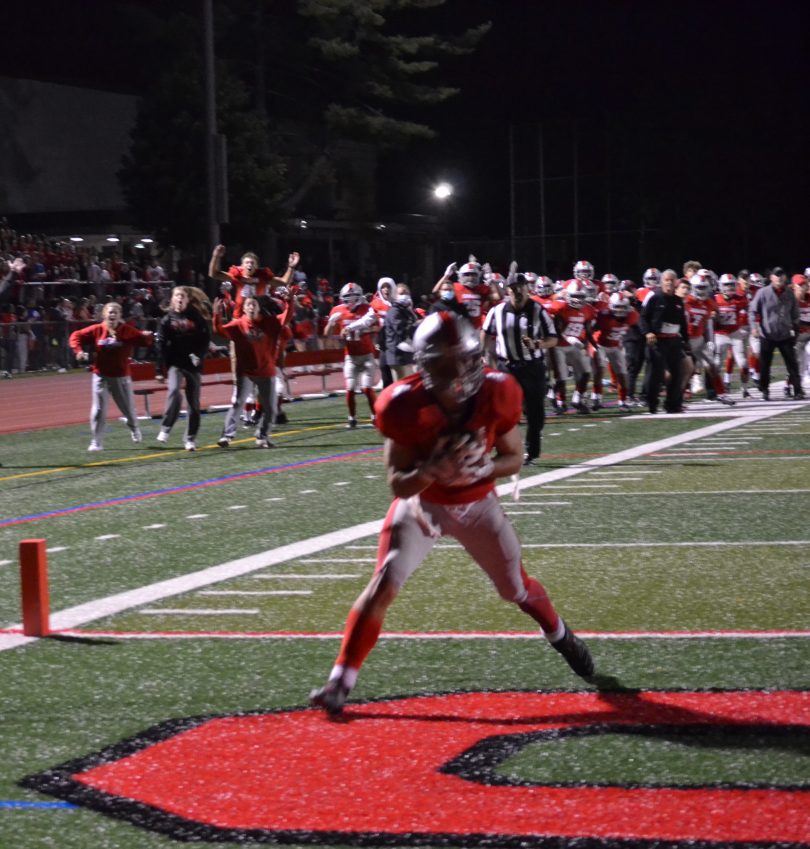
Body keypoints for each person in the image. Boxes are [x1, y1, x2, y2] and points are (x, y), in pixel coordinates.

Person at [309, 311, 594, 716]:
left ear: (478, 357)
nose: (457, 371)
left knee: (514, 589)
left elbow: (513, 457)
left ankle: (560, 634)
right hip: (424, 505)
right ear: (423, 364)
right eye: (444, 362)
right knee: (385, 579)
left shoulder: (497, 392)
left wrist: (485, 469)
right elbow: (398, 483)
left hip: (478, 505)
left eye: (464, 360)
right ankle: (341, 679)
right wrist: (429, 471)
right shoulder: (402, 403)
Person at [481, 271, 557, 464]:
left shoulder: (538, 310)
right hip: (506, 367)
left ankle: (531, 452)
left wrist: (537, 344)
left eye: (521, 288)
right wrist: (480, 355)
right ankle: (495, 448)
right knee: (499, 411)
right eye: (513, 289)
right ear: (507, 291)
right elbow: (485, 332)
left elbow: (553, 338)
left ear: (527, 289)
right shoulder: (497, 311)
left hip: (532, 367)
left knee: (535, 413)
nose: (517, 292)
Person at [68, 301, 153, 451]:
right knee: (99, 410)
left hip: (121, 377)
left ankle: (134, 429)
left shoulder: (127, 330)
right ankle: (96, 442)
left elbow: (143, 341)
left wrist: (146, 336)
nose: (112, 314)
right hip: (101, 375)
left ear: (120, 316)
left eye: (115, 312)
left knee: (128, 410)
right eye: (109, 312)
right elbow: (76, 335)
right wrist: (78, 351)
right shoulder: (97, 329)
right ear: (104, 315)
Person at [212, 292, 292, 447]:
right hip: (246, 372)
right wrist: (216, 314)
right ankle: (227, 436)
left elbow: (286, 317)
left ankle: (262, 437)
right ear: (243, 309)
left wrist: (290, 301)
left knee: (270, 408)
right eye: (247, 304)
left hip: (266, 371)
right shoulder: (238, 325)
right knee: (238, 403)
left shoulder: (270, 322)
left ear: (258, 308)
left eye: (254, 304)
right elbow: (219, 331)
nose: (251, 307)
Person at [154, 286, 212, 451]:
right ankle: (166, 428)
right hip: (176, 364)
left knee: (193, 402)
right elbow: (160, 345)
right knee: (173, 392)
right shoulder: (166, 320)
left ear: (188, 300)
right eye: (177, 295)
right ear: (172, 299)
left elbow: (205, 340)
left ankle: (190, 438)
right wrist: (159, 369)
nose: (179, 299)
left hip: (193, 365)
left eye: (183, 296)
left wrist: (199, 356)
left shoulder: (196, 318)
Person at [322, 282, 379, 428]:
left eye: (354, 297)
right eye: (348, 297)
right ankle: (352, 417)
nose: (351, 300)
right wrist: (331, 322)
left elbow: (378, 326)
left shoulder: (367, 309)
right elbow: (326, 334)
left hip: (367, 354)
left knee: (367, 387)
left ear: (359, 296)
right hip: (351, 356)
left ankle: (375, 416)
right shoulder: (337, 310)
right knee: (350, 388)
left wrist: (362, 330)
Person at [748, 267, 803, 401]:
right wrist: (754, 327)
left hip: (785, 334)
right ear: (771, 277)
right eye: (776, 275)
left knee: (792, 364)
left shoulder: (789, 293)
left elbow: (795, 313)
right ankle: (765, 389)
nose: (779, 278)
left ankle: (797, 390)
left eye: (781, 275)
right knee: (765, 364)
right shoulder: (762, 293)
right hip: (767, 334)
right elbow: (752, 311)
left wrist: (795, 328)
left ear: (785, 277)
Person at [639, 268, 689, 414]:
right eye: (666, 280)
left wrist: (686, 340)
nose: (669, 283)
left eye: (671, 280)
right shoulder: (653, 296)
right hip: (657, 341)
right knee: (656, 373)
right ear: (662, 282)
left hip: (673, 341)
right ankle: (652, 403)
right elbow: (642, 317)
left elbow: (682, 322)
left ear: (676, 283)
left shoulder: (678, 300)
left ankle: (673, 405)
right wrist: (647, 332)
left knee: (677, 373)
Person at [381, 283, 419, 382]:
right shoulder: (394, 311)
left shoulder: (406, 310)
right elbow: (401, 330)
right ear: (395, 296)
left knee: (409, 385)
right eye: (401, 293)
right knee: (401, 387)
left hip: (405, 354)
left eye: (406, 293)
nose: (404, 295)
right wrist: (417, 325)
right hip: (396, 355)